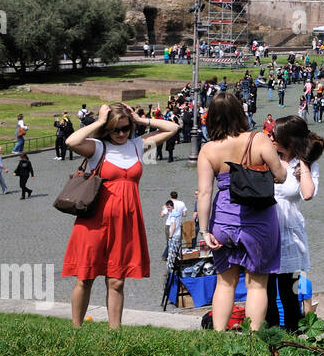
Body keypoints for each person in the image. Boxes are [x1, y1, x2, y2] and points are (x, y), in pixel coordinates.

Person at [63, 102, 179, 328]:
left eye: (125, 128)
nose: (121, 133)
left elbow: (172, 128)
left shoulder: (137, 145)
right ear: (107, 129)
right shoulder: (97, 147)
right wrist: (98, 121)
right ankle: (76, 330)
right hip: (95, 221)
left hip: (125, 222)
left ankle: (114, 331)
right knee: (85, 277)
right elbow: (71, 141)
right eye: (115, 129)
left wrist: (140, 119)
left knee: (116, 280)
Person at [195, 93, 288, 330]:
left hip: (224, 220)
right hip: (258, 220)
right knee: (256, 284)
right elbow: (280, 175)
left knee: (225, 282)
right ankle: (253, 339)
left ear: (212, 117)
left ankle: (218, 336)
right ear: (240, 112)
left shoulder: (208, 150)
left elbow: (204, 193)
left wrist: (205, 231)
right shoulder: (258, 140)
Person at [268, 116, 323, 329]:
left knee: (286, 285)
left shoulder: (305, 165)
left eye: (275, 135)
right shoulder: (268, 157)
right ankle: (270, 329)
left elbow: (307, 193)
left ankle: (292, 329)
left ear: (289, 141)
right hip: (266, 224)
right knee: (266, 286)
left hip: (288, 229)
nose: (271, 138)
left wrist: (303, 162)